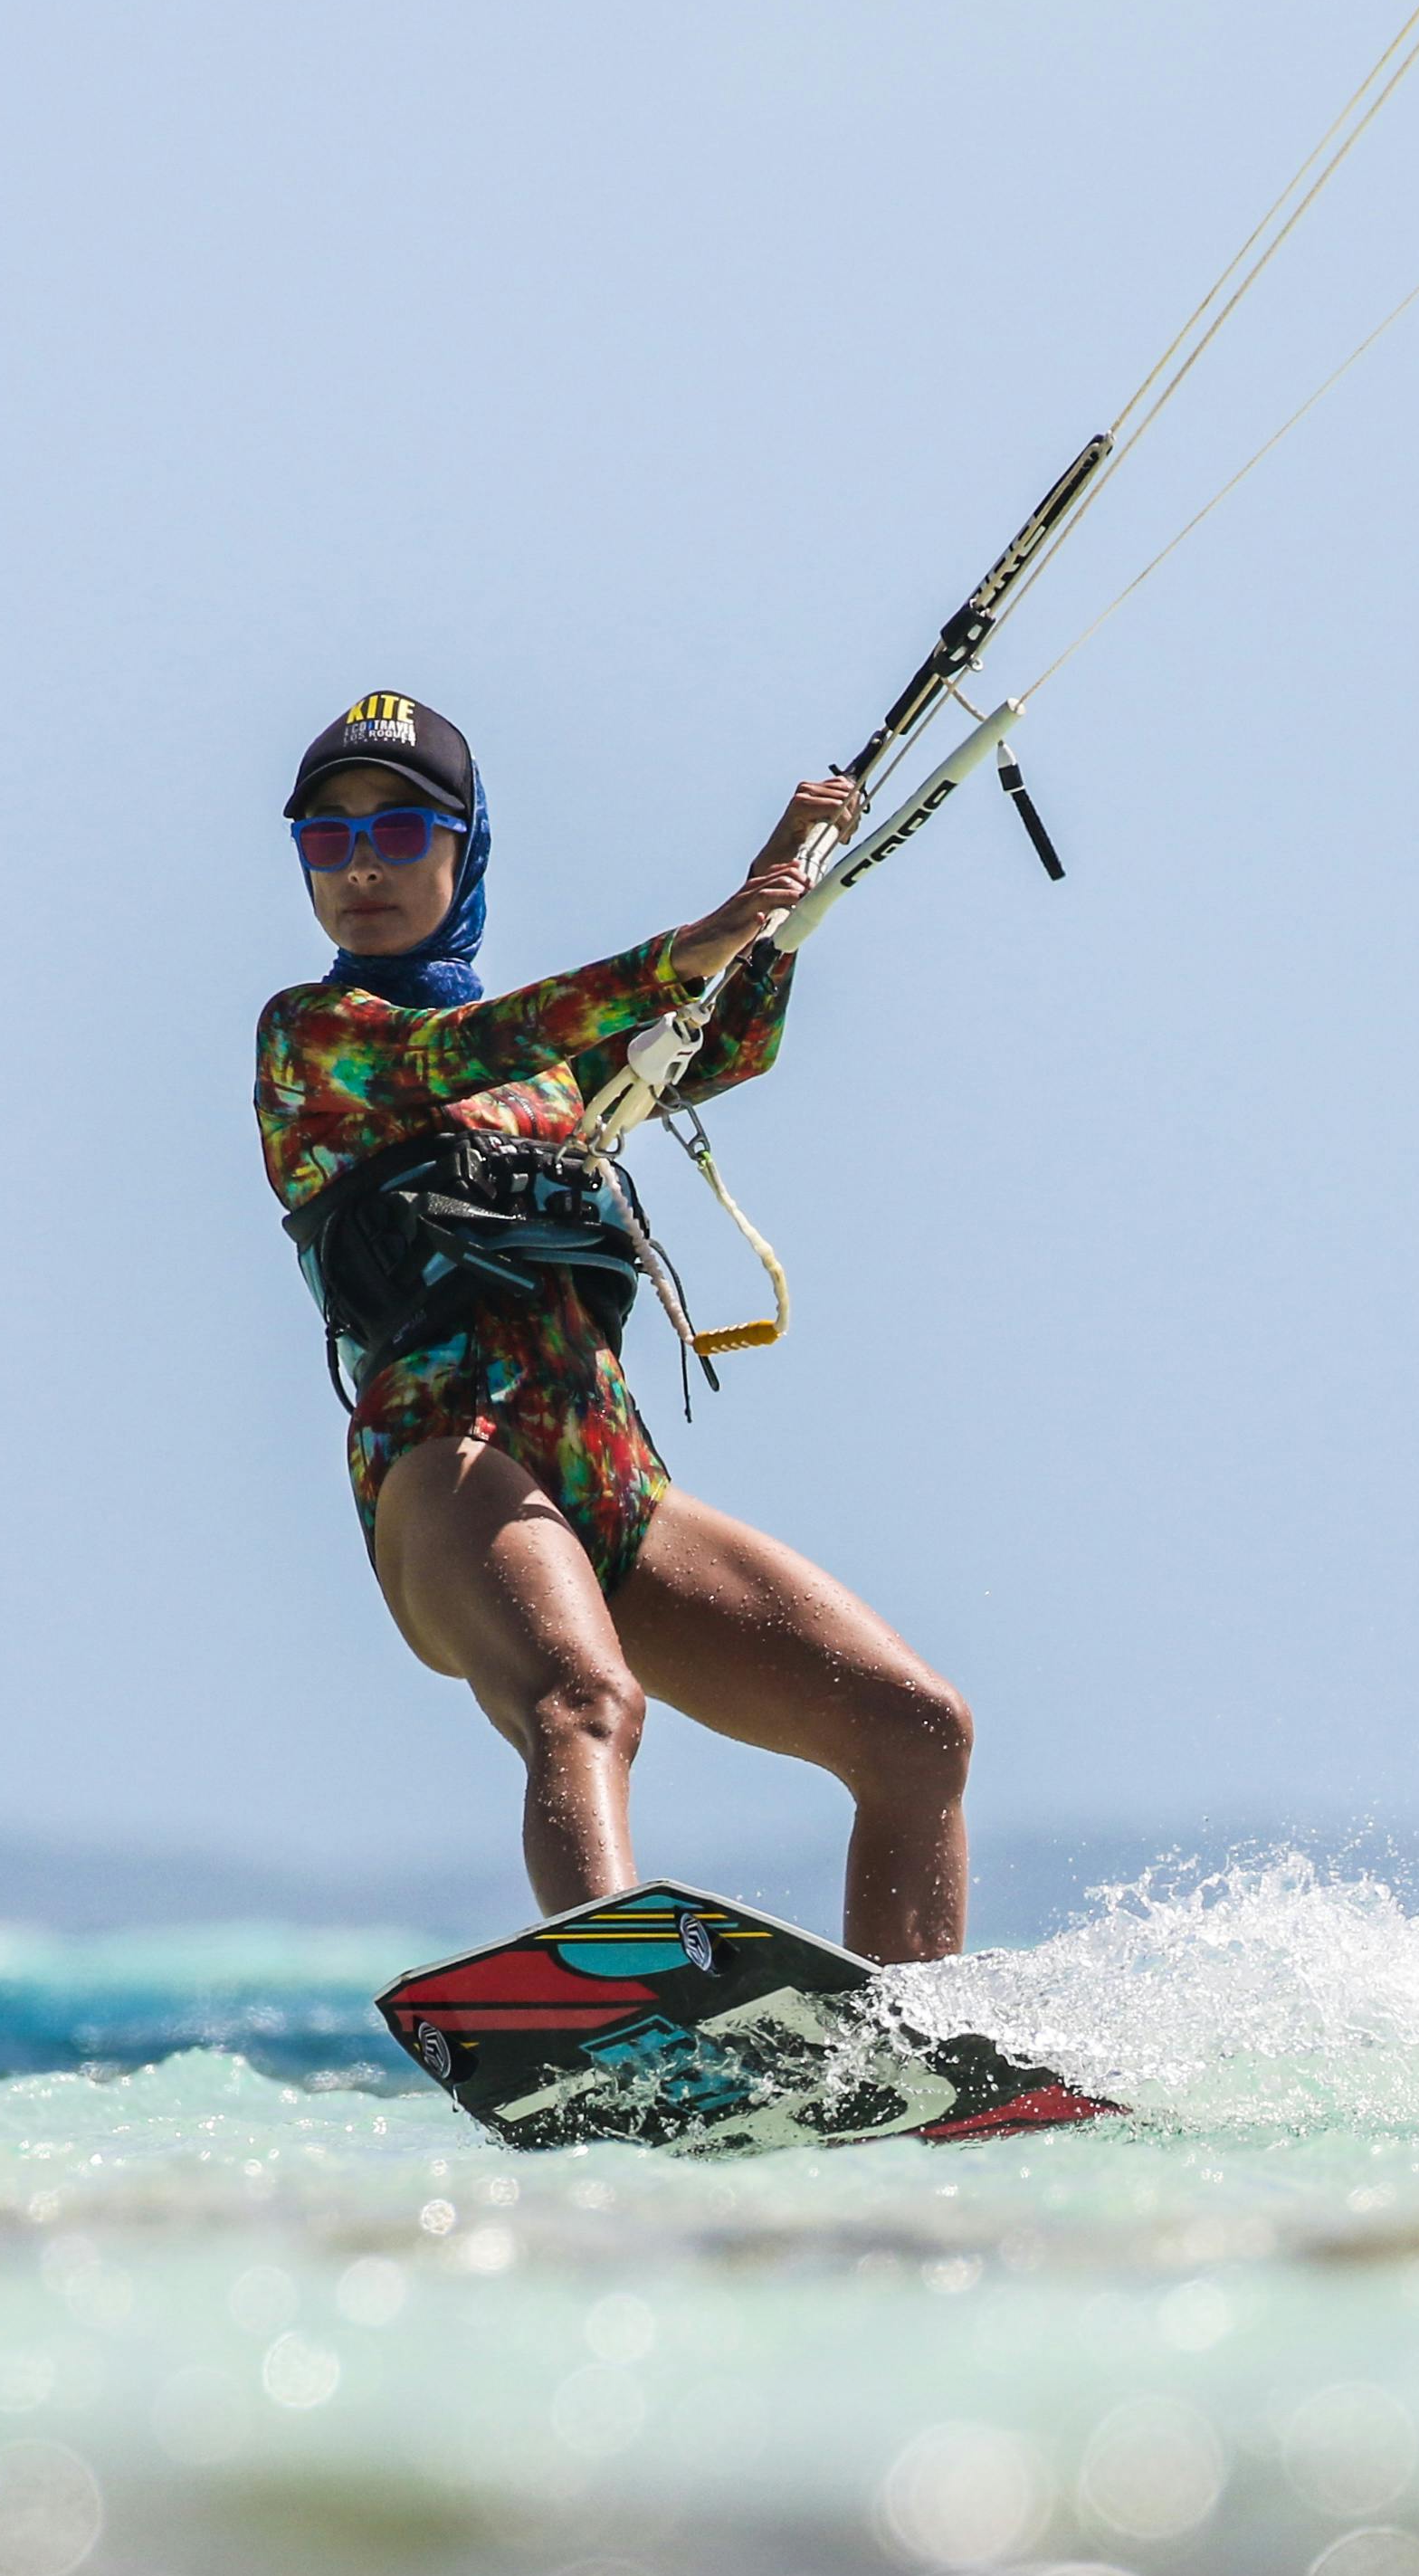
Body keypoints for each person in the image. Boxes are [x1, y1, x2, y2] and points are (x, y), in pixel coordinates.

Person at [253, 692, 976, 1961]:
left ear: (462, 851)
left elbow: (717, 1044)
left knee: (916, 1729)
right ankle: (621, 2011)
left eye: (400, 829)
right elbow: (478, 1042)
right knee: (582, 1700)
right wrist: (686, 946)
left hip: (612, 1481)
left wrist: (780, 898)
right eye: (328, 839)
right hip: (448, 1465)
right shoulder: (316, 1043)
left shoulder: (560, 1069)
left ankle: (907, 2061)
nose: (362, 864)